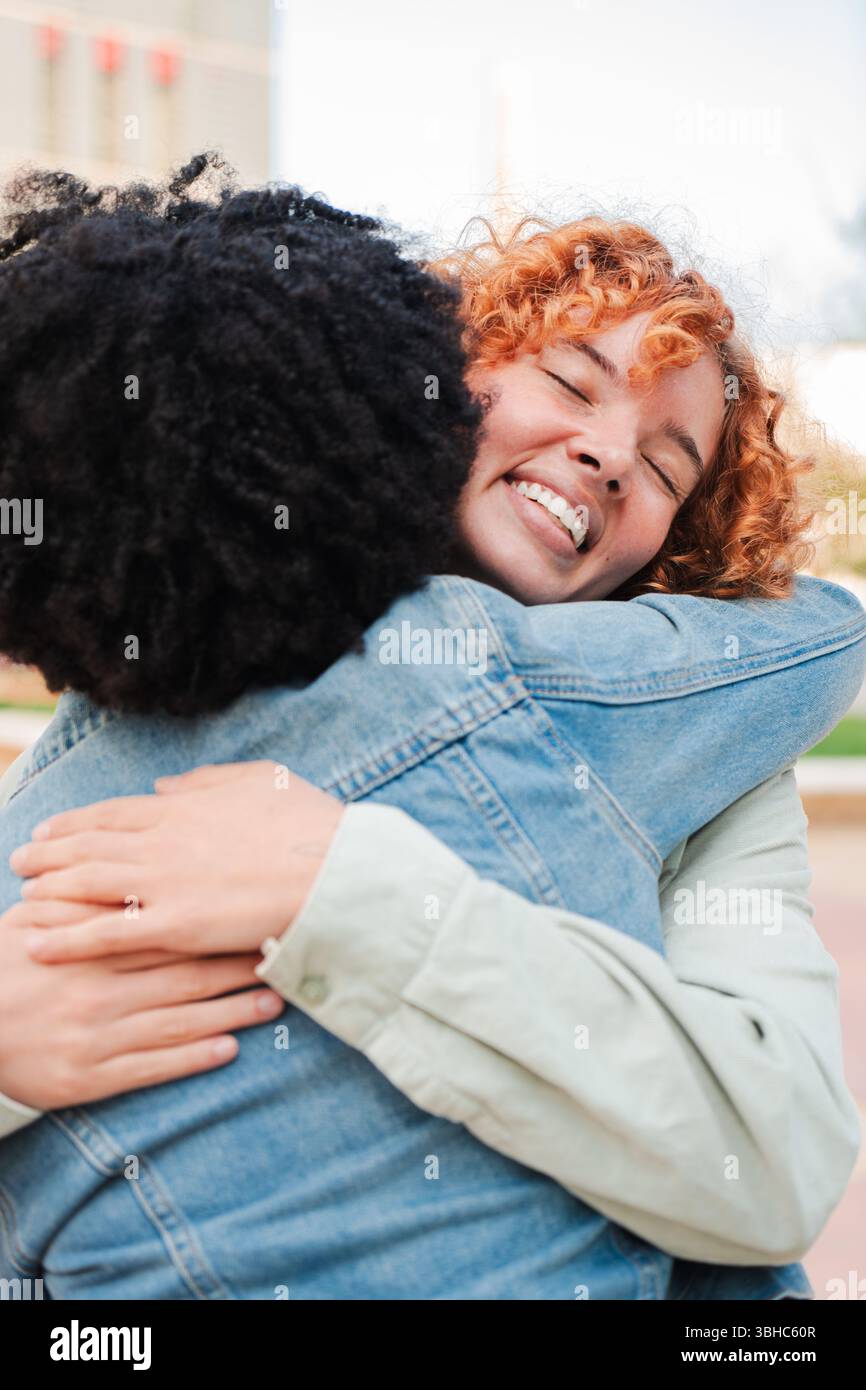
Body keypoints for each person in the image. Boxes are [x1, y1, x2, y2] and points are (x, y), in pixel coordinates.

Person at [0, 156, 862, 1299]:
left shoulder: (706, 754)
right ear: (432, 367)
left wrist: (348, 893)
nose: (609, 455)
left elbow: (774, 1160)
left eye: (666, 465)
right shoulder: (176, 650)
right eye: (567, 377)